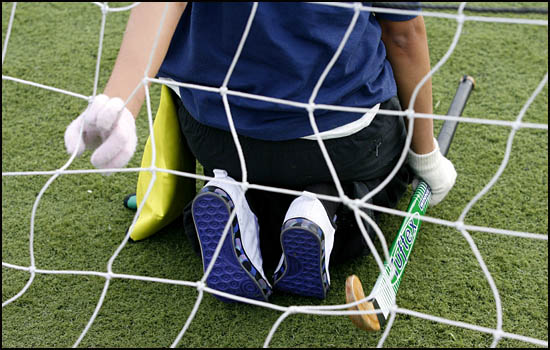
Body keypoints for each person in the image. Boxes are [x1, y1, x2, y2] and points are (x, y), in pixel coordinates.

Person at [65, 2, 457, 303]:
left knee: (249, 166)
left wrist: (120, 102)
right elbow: (404, 37)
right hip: (337, 138)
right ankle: (323, 209)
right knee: (392, 171)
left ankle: (231, 191)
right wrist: (425, 158)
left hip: (218, 134)